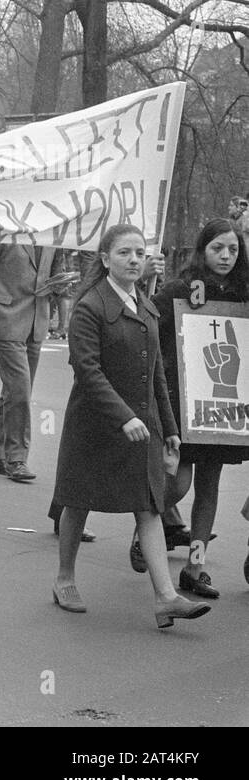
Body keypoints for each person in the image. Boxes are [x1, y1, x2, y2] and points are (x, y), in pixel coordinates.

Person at [50, 223, 211, 629]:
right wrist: (124, 417)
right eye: (124, 253)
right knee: (78, 500)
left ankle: (165, 597)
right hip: (95, 425)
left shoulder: (147, 305)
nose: (134, 259)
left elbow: (156, 371)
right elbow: (88, 371)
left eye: (139, 252)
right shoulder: (89, 307)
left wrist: (171, 426)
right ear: (105, 259)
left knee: (150, 506)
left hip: (144, 425)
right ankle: (64, 578)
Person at [136, 219, 249, 598]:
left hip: (222, 410)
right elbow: (145, 321)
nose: (226, 256)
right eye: (218, 248)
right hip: (183, 405)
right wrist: (144, 280)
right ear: (203, 250)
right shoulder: (181, 290)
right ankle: (146, 530)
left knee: (209, 488)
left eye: (233, 250)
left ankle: (195, 566)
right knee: (178, 483)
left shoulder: (243, 293)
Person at [0, 241, 66, 483]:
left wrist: (59, 285)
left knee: (15, 390)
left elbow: (57, 269)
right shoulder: (5, 224)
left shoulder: (52, 228)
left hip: (37, 319)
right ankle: (17, 457)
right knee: (20, 388)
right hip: (5, 316)